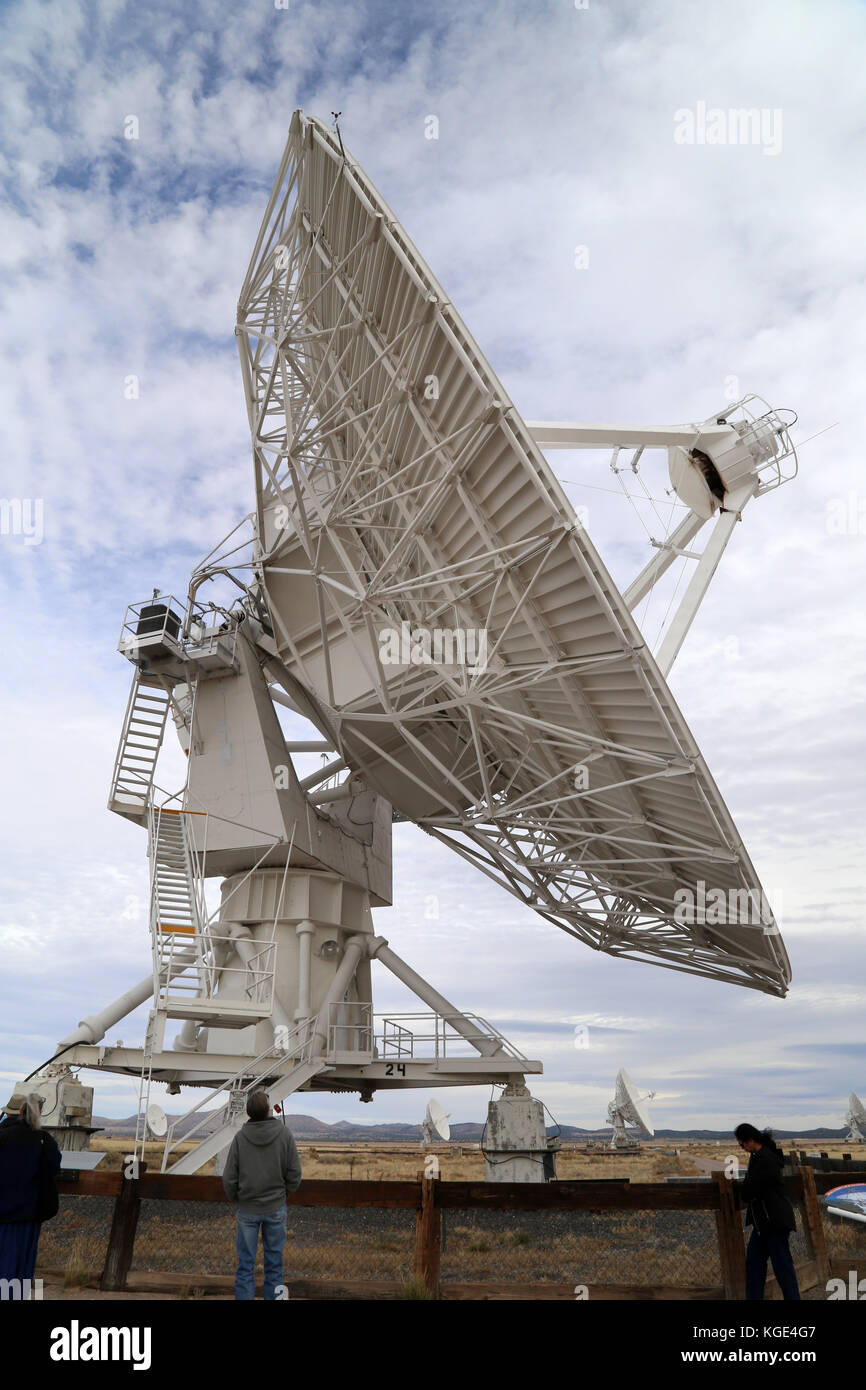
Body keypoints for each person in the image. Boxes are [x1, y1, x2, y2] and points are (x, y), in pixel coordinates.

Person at [222, 1089, 302, 1301]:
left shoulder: (240, 1138)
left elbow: (229, 1176)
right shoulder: (285, 1134)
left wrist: (236, 1198)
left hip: (247, 1209)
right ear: (268, 1110)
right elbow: (294, 1172)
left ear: (248, 1112)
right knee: (275, 1265)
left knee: (245, 1265)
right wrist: (284, 1194)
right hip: (275, 1208)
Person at [0, 1092, 62, 1293]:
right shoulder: (44, 1140)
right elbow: (53, 1167)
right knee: (21, 1268)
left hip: (2, 1215)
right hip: (29, 1215)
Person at [734, 1122, 800, 1301]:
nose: (742, 1148)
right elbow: (752, 1190)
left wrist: (748, 1190)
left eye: (741, 1144)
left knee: (782, 1267)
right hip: (763, 1223)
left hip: (774, 1221)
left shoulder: (766, 1159)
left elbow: (750, 1191)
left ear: (750, 1140)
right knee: (755, 1265)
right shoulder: (759, 1157)